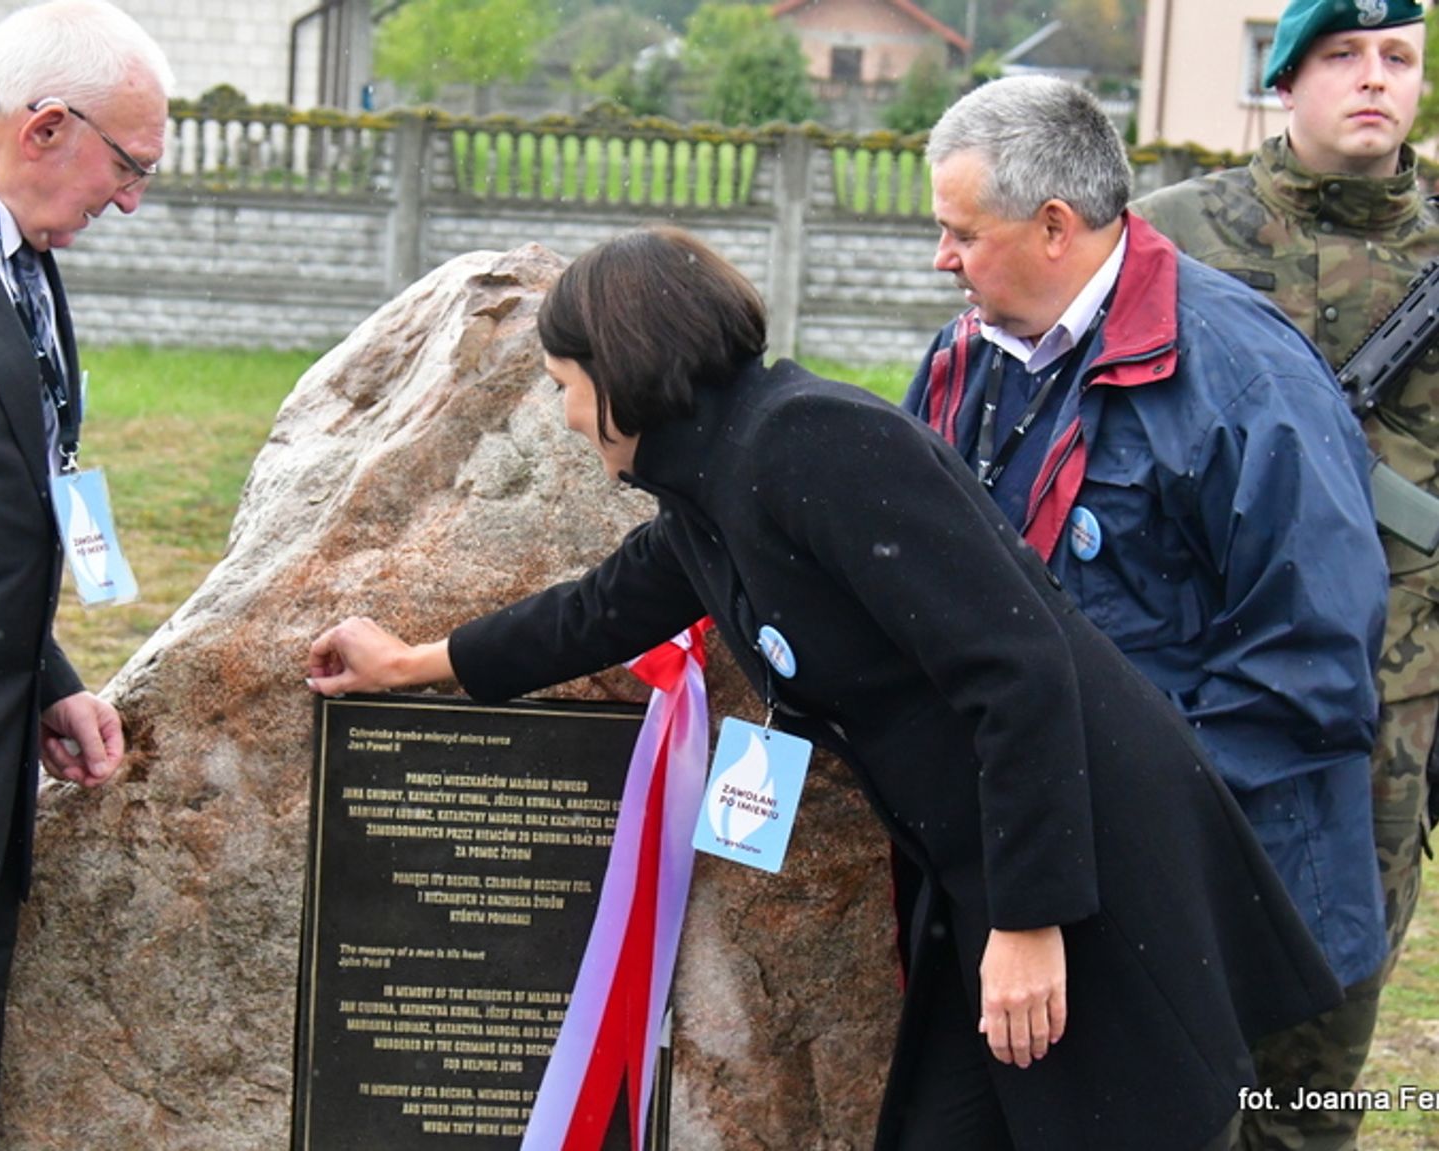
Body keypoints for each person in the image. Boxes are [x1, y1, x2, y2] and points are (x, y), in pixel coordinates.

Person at [308, 225, 1347, 1150]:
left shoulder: (814, 443)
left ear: (624, 366)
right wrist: (411, 663)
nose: (567, 414)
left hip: (1085, 869)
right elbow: (600, 609)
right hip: (993, 872)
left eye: (564, 381)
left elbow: (1020, 668)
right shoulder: (710, 493)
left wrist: (1033, 922)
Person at [902, 70, 1391, 1109]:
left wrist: (1111, 815)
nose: (940, 257)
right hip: (1049, 857)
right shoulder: (964, 363)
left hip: (1216, 876)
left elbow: (1313, 660)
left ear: (1052, 225)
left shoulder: (1246, 379)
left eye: (960, 231)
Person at [1132, 4, 1434, 1142]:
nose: (1373, 80)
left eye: (1397, 58)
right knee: (1175, 1007)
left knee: (1329, 1022)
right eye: (1342, 57)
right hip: (1196, 679)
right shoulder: (1171, 236)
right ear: (1285, 80)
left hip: (1387, 696)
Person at [0, 2, 172, 1145]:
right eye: (129, 168)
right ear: (49, 126)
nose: (130, 201)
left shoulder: (11, 237)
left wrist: (46, 673)